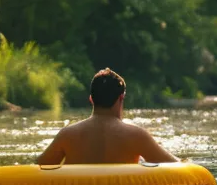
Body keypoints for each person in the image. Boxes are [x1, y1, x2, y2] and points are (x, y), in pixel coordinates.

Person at [36, 69, 179, 165]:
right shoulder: (136, 136)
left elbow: (37, 168)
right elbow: (176, 166)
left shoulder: (67, 135)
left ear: (91, 99)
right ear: (121, 98)